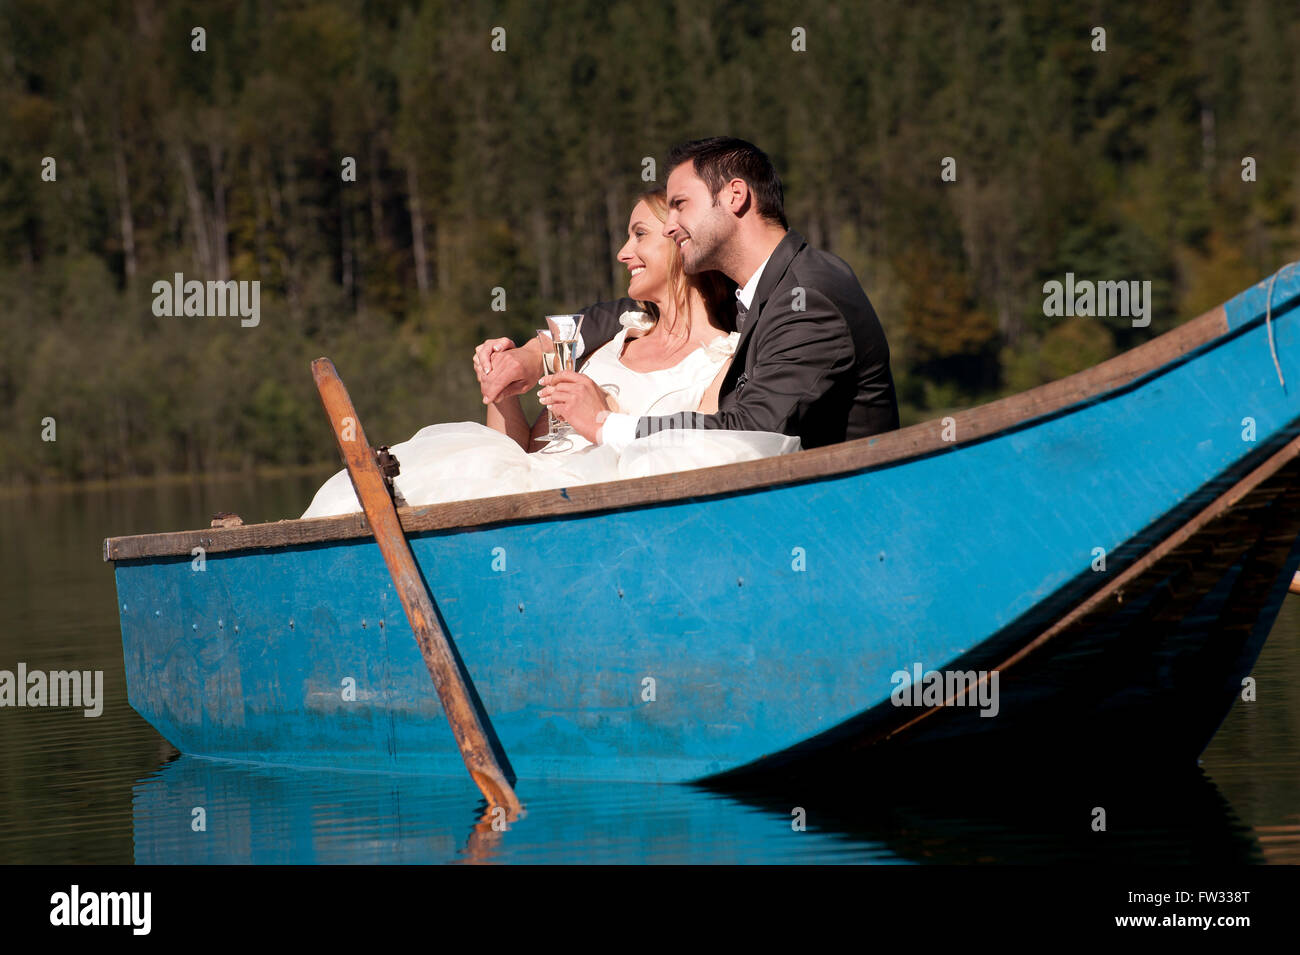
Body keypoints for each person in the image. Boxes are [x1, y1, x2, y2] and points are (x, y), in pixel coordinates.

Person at [300, 189, 799, 518]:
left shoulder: (722, 358)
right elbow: (525, 452)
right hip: (525, 497)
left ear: (680, 241)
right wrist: (500, 394)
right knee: (367, 498)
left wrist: (600, 418)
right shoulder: (612, 337)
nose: (624, 252)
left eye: (639, 235)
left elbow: (700, 463)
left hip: (598, 515)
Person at [484, 137, 900, 450]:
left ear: (735, 196)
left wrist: (602, 423)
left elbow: (751, 433)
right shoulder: (766, 291)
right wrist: (525, 356)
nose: (670, 224)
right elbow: (628, 316)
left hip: (845, 524)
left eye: (681, 204)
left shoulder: (806, 296)